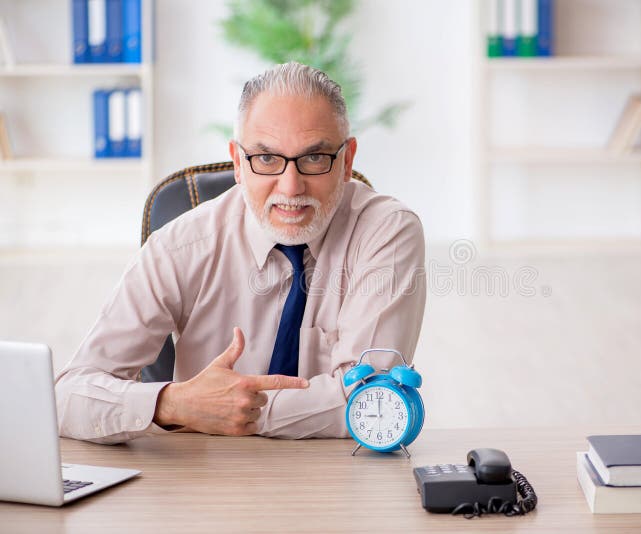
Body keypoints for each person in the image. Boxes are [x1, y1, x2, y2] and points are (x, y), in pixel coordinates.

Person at [55, 62, 426, 444]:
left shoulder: (388, 231)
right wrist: (172, 404)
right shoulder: (182, 246)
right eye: (266, 158)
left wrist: (232, 409)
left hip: (340, 480)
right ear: (237, 162)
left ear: (346, 161)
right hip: (205, 481)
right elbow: (68, 396)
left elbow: (374, 400)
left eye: (314, 158)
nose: (290, 186)